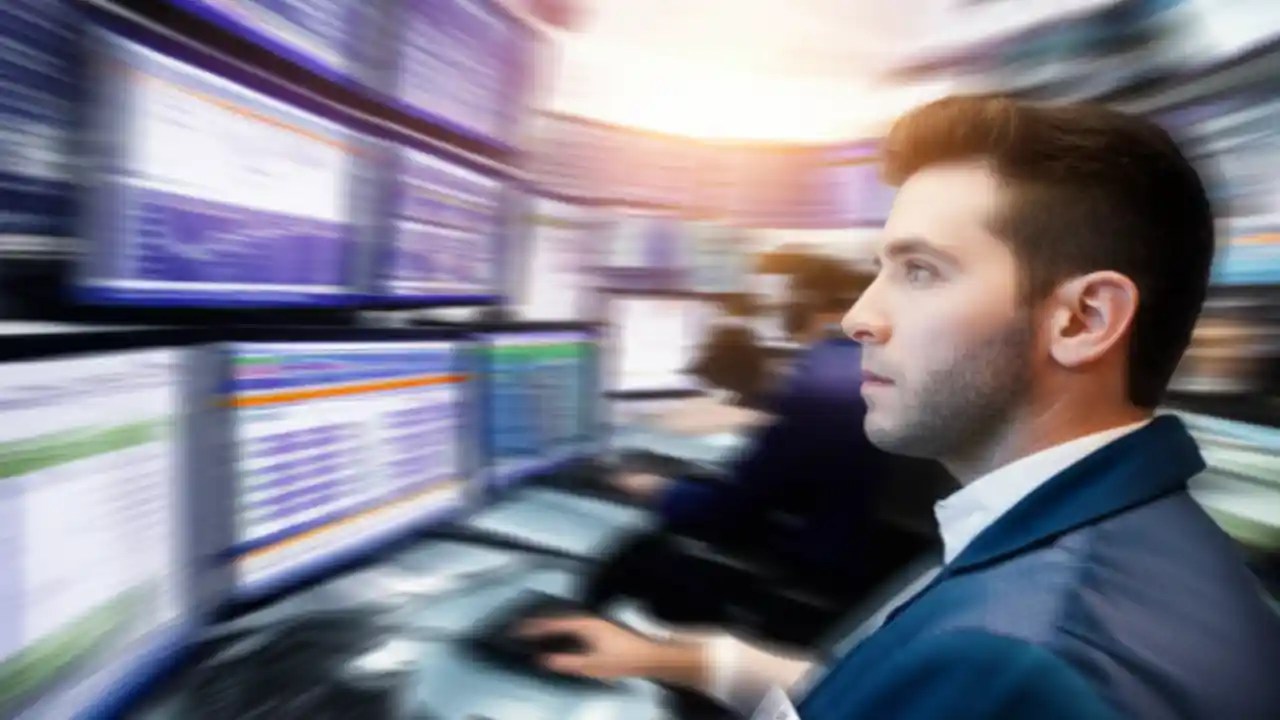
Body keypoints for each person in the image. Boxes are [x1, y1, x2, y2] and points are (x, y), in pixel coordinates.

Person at [520, 95, 1280, 719]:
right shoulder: (1128, 546)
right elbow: (872, 690)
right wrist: (667, 656)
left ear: (1082, 320)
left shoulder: (1020, 658)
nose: (858, 318)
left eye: (921, 271)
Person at [610, 258, 943, 599]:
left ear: (807, 305)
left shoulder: (825, 375)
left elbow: (728, 511)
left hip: (818, 578)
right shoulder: (895, 365)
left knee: (635, 558)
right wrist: (775, 423)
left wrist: (656, 489)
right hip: (890, 570)